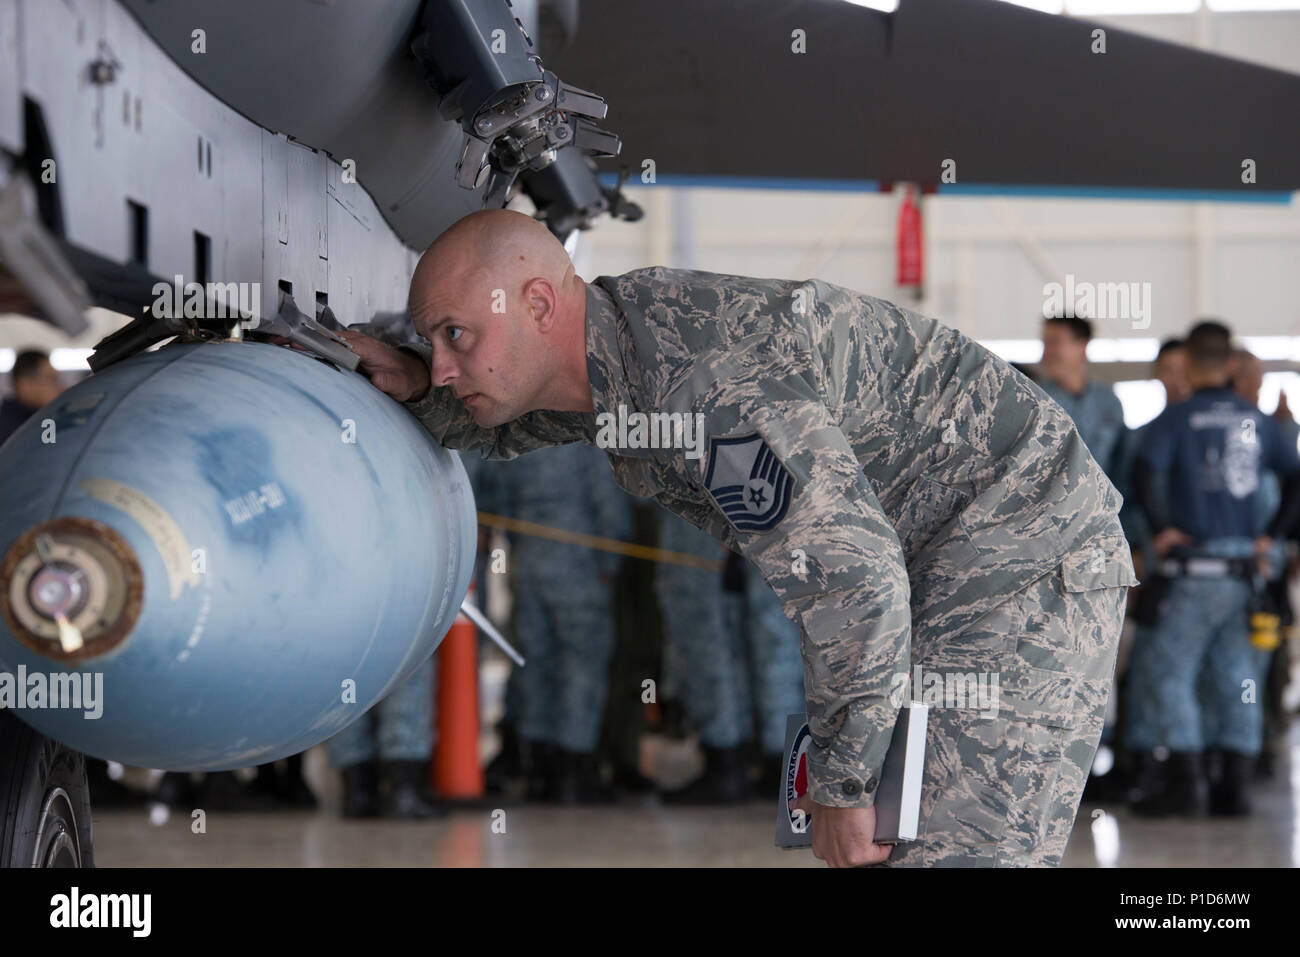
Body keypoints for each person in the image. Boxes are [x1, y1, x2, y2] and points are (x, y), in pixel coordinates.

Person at [337, 208, 1136, 868]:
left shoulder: (710, 382)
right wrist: (415, 386)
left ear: (539, 305)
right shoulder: (624, 358)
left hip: (1019, 550)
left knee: (951, 853)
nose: (441, 364)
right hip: (952, 555)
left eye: (455, 335)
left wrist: (844, 784)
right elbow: (523, 421)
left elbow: (853, 586)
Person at [1127, 325, 1300, 817]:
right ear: (1228, 365)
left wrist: (1161, 529)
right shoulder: (1259, 420)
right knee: (1238, 675)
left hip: (1194, 569)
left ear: (1192, 365)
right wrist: (1272, 534)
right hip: (1249, 570)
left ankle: (1186, 784)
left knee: (1170, 671)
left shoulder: (1178, 419)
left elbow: (1143, 471)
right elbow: (1296, 477)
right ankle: (1235, 789)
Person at [1038, 315, 1128, 482]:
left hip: (1103, 504)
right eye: (1044, 343)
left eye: (1055, 342)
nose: (1046, 352)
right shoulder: (1036, 402)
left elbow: (1122, 466)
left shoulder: (1109, 402)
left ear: (1082, 346)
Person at [0, 349, 63, 444]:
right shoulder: (11, 430)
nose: (60, 387)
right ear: (25, 384)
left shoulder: (38, 420)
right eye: (51, 379)